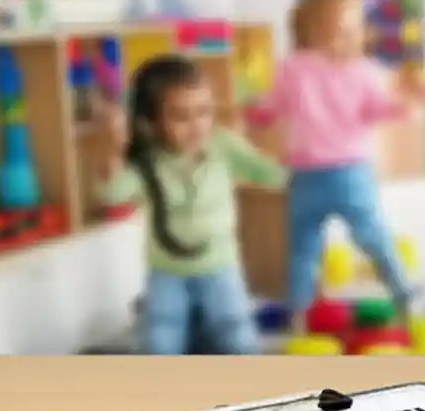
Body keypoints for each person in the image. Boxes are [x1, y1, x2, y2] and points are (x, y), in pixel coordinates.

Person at [245, 0, 421, 332]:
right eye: (344, 31)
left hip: (326, 174)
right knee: (361, 238)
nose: (355, 38)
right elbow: (378, 110)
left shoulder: (295, 68)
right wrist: (405, 106)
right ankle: (399, 294)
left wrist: (254, 114)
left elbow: (270, 108)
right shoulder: (354, 70)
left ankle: (396, 295)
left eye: (358, 30)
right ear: (313, 34)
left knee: (311, 246)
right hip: (338, 173)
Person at [96, 56, 288, 355]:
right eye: (181, 117)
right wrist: (113, 149)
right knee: (161, 337)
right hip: (166, 272)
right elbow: (113, 194)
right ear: (151, 122)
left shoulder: (222, 145)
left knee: (235, 331)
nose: (197, 126)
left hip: (220, 265)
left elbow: (270, 173)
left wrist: (293, 151)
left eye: (204, 112)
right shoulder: (148, 162)